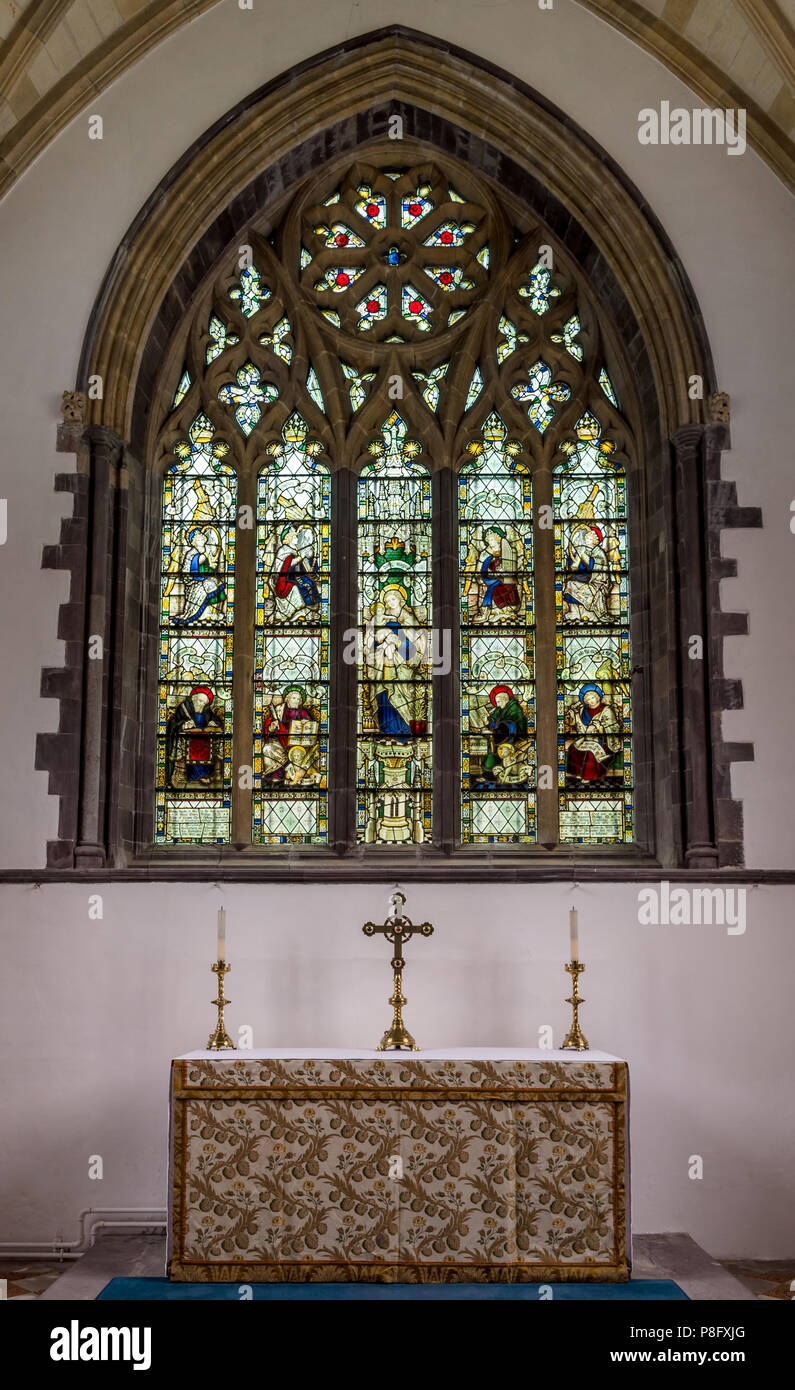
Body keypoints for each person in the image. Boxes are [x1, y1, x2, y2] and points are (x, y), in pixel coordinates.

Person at [166, 685, 223, 786]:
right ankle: (181, 773)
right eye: (200, 701)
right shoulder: (183, 708)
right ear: (194, 698)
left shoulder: (206, 710)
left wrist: (213, 723)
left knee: (215, 741)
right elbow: (173, 723)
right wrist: (183, 724)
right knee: (183, 741)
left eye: (204, 703)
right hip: (189, 738)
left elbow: (216, 720)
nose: (202, 705)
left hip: (205, 738)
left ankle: (210, 774)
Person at [565, 682, 621, 783]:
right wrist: (576, 715)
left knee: (590, 752)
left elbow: (614, 727)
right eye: (588, 699)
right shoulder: (583, 710)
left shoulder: (606, 710)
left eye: (593, 697)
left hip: (604, 740)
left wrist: (601, 728)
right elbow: (581, 729)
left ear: (598, 697)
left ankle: (588, 776)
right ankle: (579, 773)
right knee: (574, 747)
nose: (591, 701)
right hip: (587, 737)